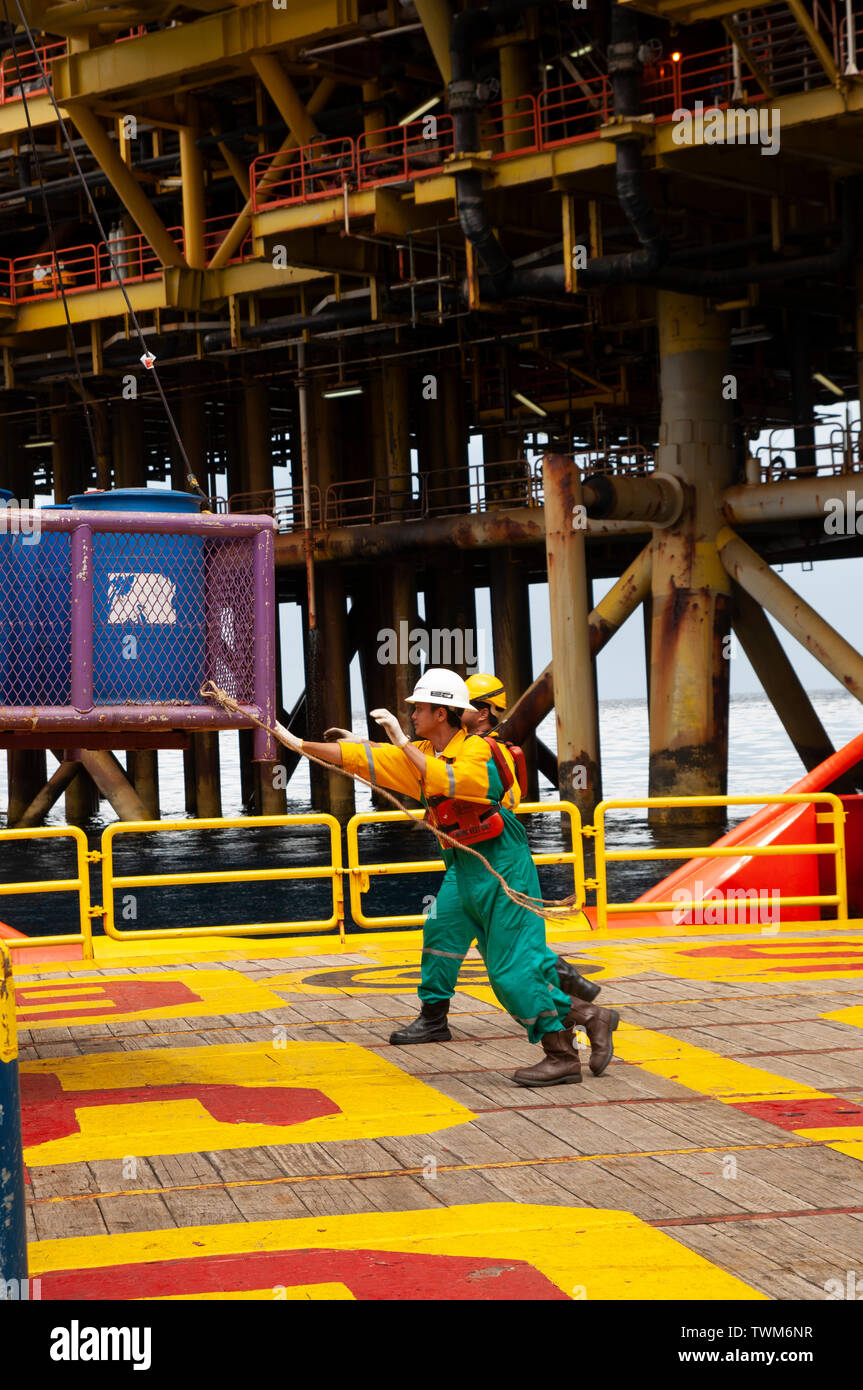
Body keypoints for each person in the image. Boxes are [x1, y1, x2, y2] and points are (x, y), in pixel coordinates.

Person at [279, 668, 618, 1087]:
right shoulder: (422, 751)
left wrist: (401, 743)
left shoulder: (480, 751)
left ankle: (562, 1054)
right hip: (462, 867)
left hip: (502, 866)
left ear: (443, 713)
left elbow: (454, 781)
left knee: (510, 975)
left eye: (419, 708)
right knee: (440, 932)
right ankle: (583, 1014)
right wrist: (295, 742)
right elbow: (371, 759)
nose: (412, 715)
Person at [387, 672, 606, 1068]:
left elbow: (490, 795)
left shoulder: (488, 752)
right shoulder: (449, 750)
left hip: (492, 860)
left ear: (482, 712)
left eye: (466, 706)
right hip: (462, 862)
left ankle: (572, 1012)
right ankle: (436, 1016)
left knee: (510, 963)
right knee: (441, 934)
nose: (459, 713)